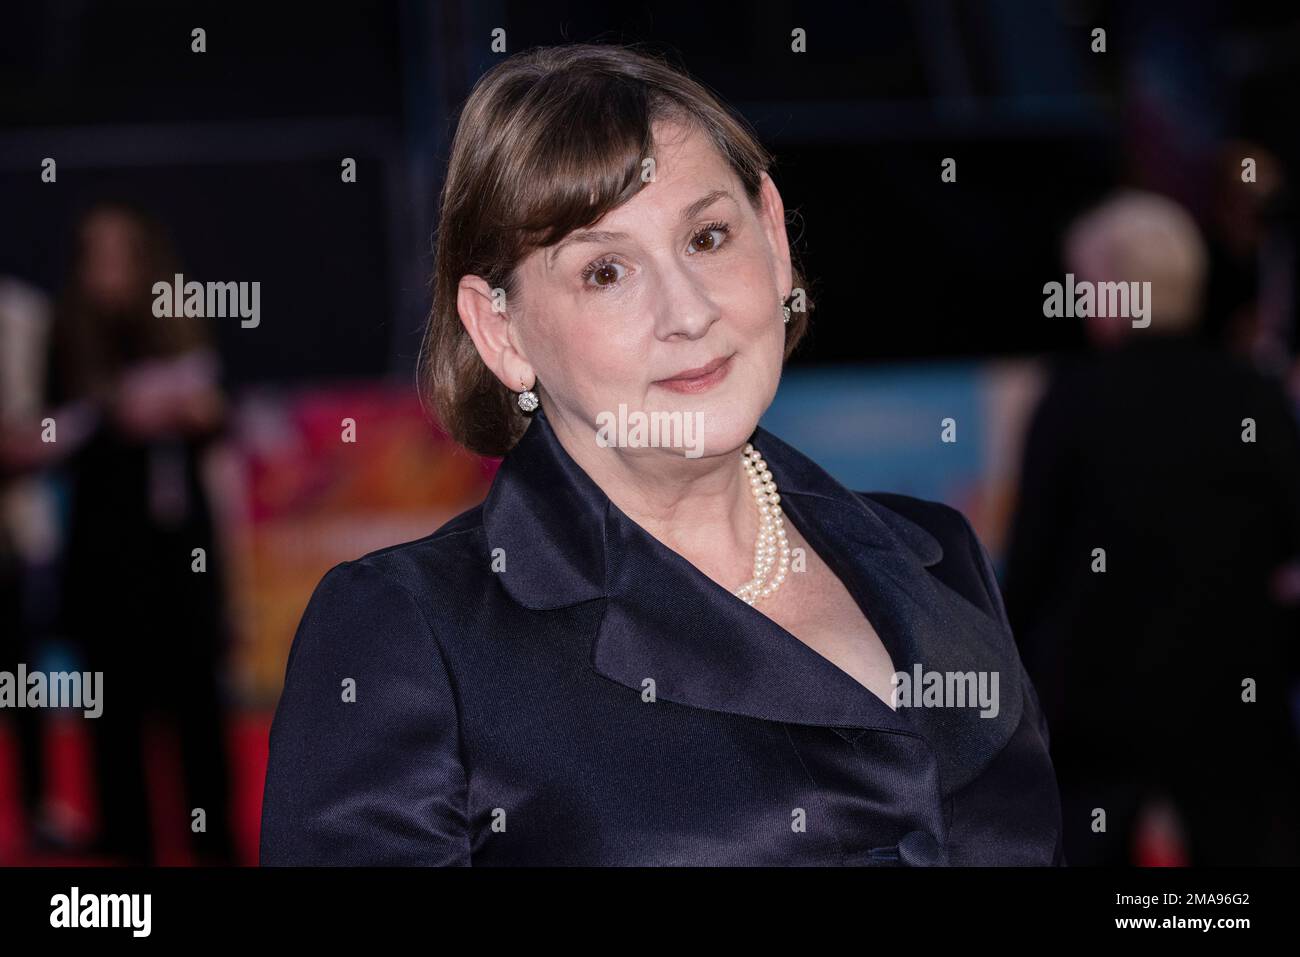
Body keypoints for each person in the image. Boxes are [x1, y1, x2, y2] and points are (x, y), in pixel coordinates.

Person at [260, 43, 1063, 866]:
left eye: (709, 236)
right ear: (500, 329)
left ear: (774, 236)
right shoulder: (413, 633)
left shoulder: (940, 557)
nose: (686, 311)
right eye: (605, 271)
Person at [1002, 190, 1300, 865]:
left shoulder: (1073, 399)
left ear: (1113, 288)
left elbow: (1031, 568)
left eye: (1083, 287)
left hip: (1096, 715)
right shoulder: (1251, 392)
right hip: (1235, 704)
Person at [45, 201, 237, 865]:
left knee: (198, 719)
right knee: (115, 724)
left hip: (179, 556)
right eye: (95, 254)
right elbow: (48, 432)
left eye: (121, 253)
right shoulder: (66, 336)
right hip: (107, 562)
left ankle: (215, 848)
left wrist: (193, 412)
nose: (109, 270)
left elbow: (219, 421)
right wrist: (107, 415)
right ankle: (128, 865)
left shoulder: (183, 331)